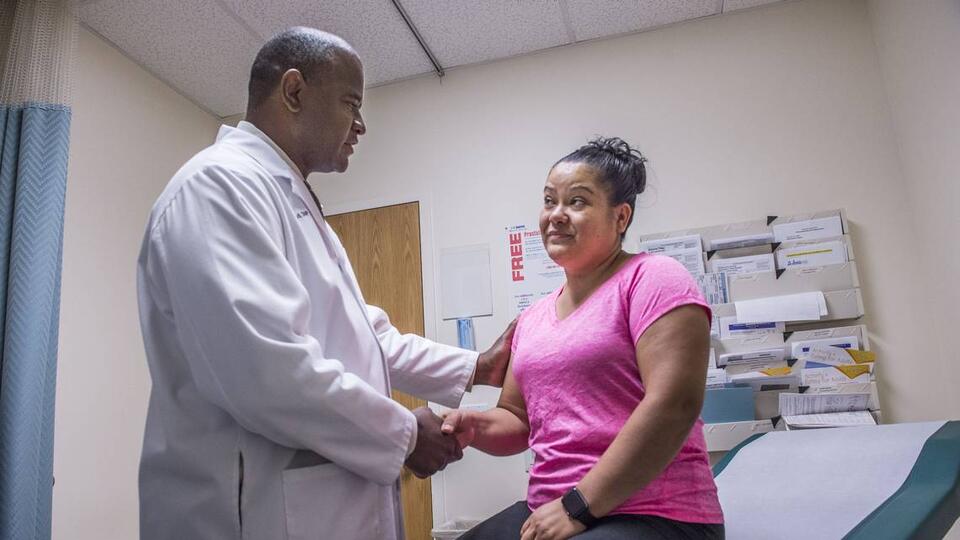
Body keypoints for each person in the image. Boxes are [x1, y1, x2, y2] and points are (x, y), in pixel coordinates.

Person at [136, 27, 514, 540]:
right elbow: (267, 372)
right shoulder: (218, 187)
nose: (360, 125)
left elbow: (368, 340)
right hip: (246, 515)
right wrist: (406, 435)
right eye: (350, 104)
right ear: (294, 91)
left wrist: (477, 367)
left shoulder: (289, 198)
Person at [443, 138, 724, 540]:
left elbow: (673, 405)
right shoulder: (533, 318)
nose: (556, 215)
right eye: (549, 201)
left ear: (621, 217)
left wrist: (578, 505)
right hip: (550, 509)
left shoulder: (654, 279)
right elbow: (518, 418)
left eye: (576, 202)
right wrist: (475, 425)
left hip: (654, 514)